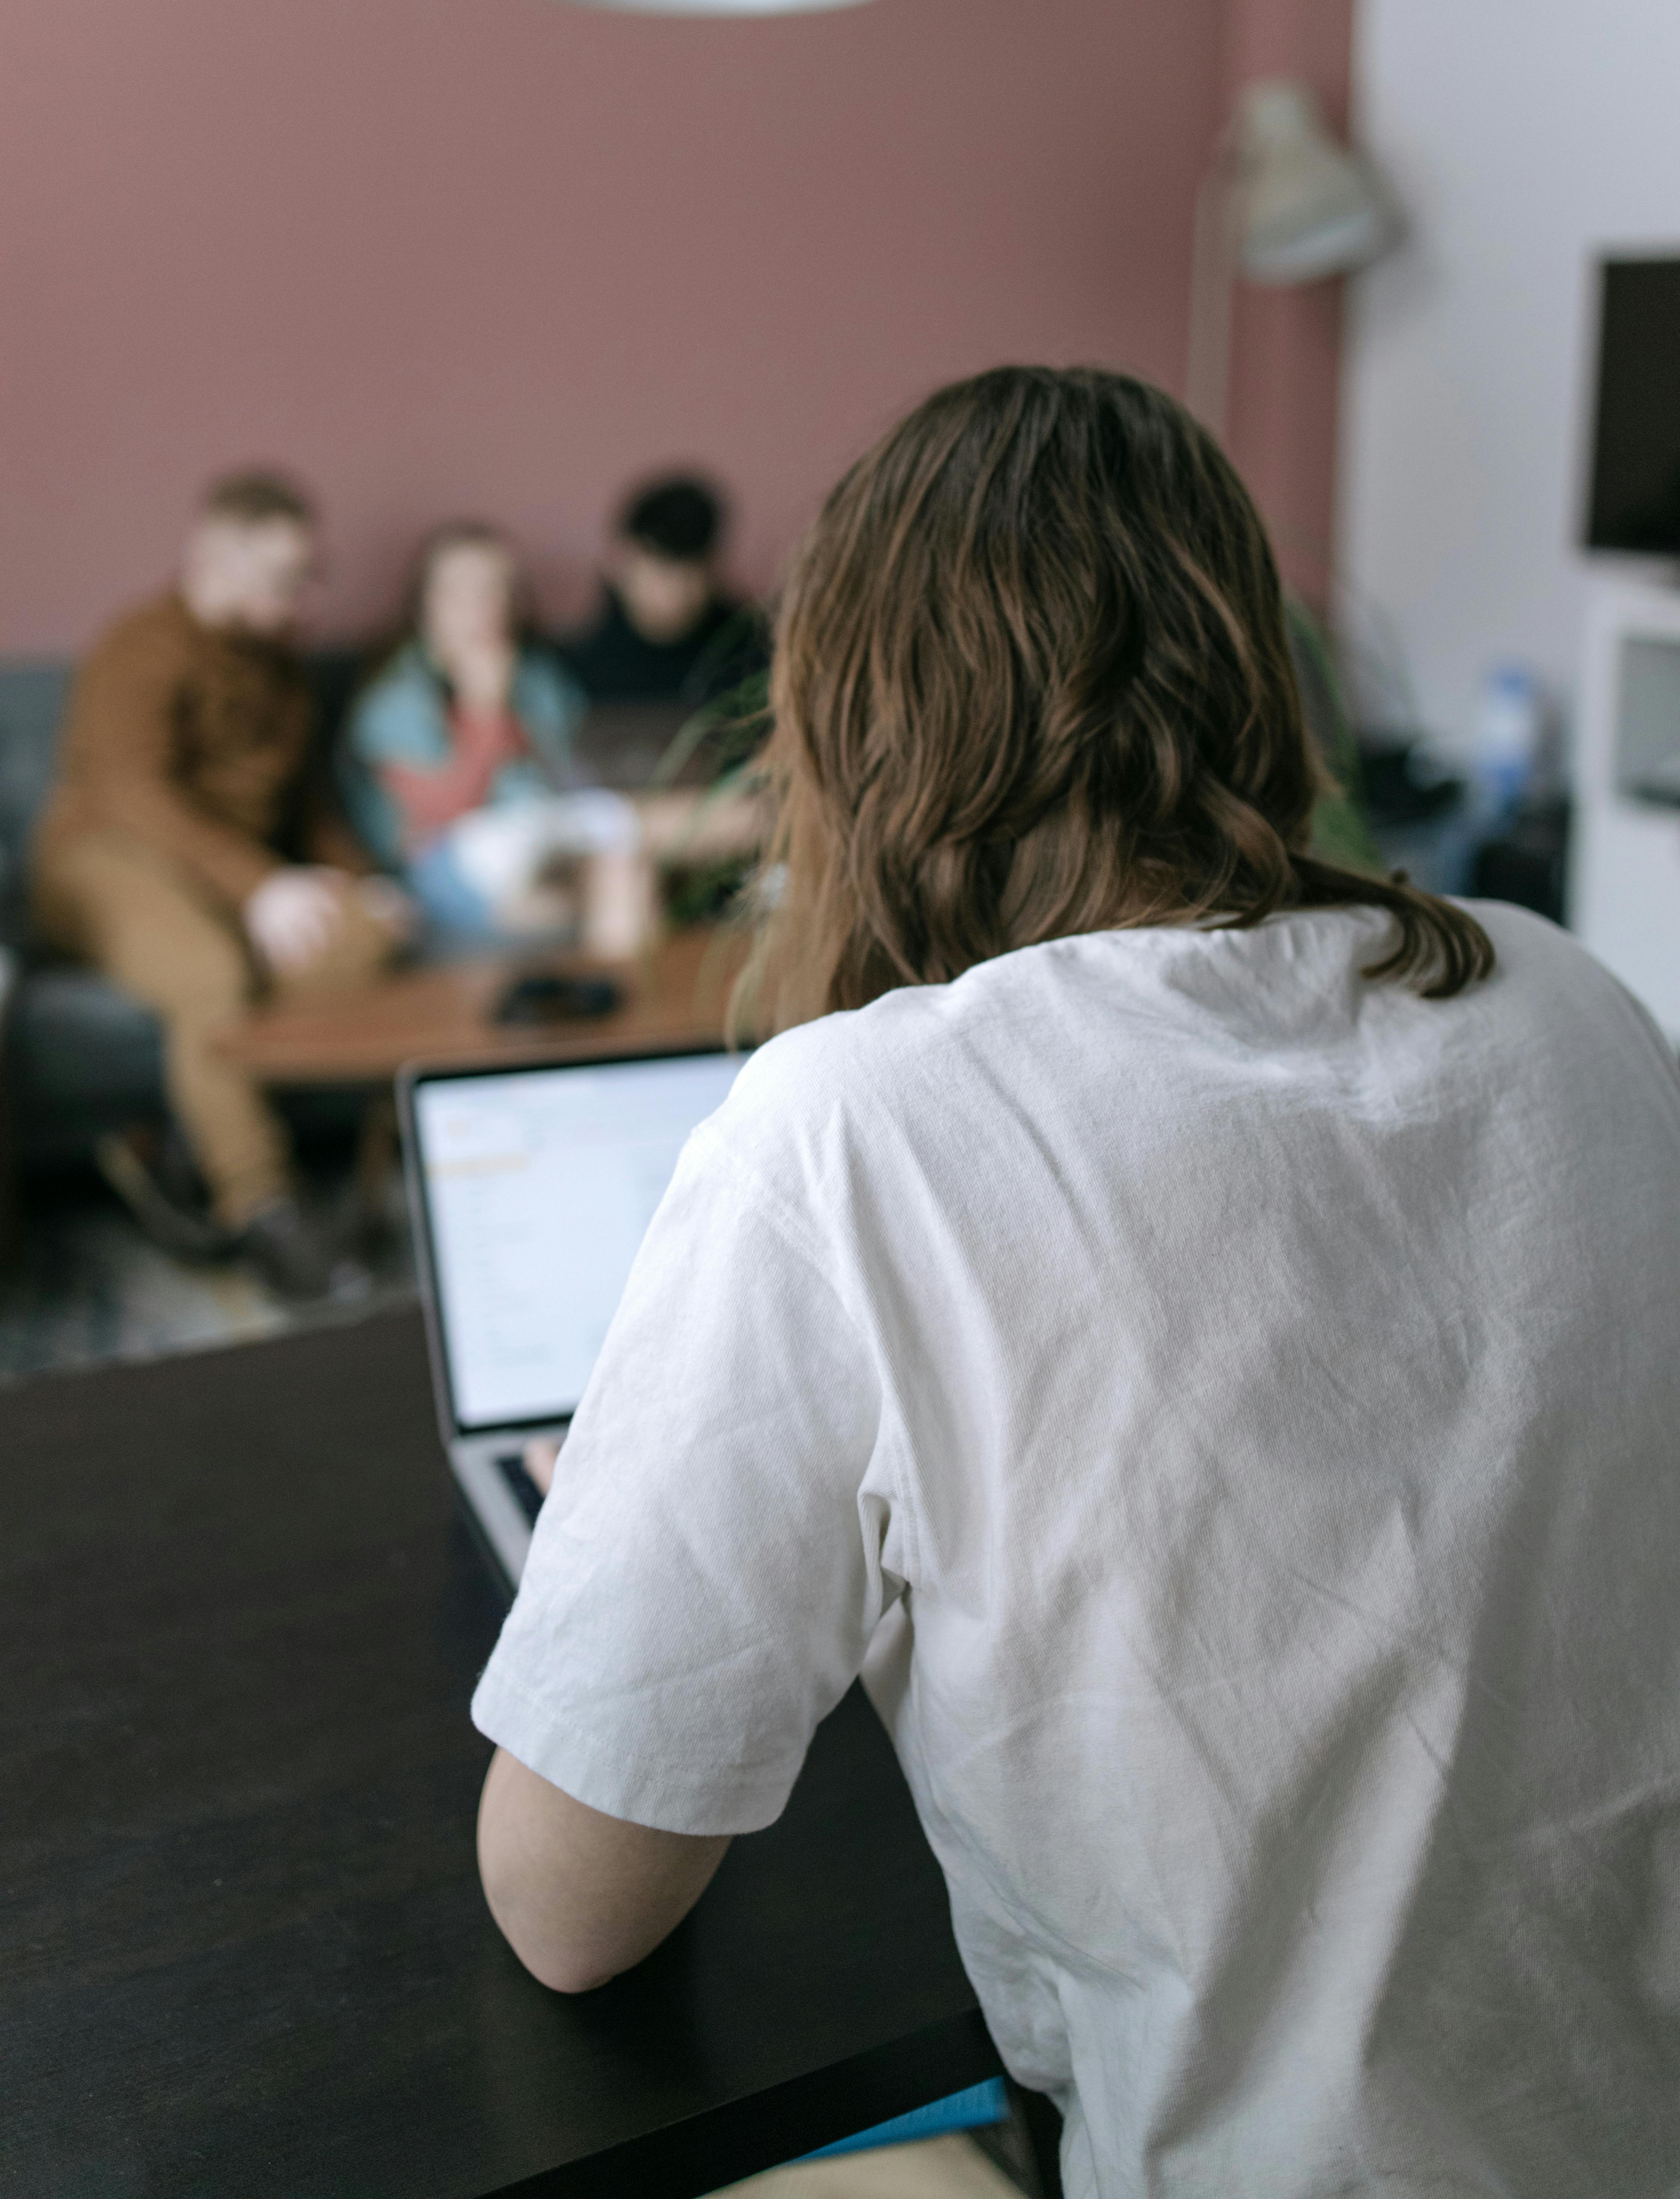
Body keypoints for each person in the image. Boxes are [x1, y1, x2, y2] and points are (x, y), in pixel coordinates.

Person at [468, 368, 1680, 2197]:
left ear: (860, 727)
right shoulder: (1563, 994)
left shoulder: (853, 1124)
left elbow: (571, 1910)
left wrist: (671, 1515)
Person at [32, 468, 410, 1300]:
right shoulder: (138, 645)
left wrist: (362, 883)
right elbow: (137, 797)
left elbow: (307, 807)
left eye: (311, 575)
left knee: (368, 938)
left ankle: (177, 1138)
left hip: (224, 880)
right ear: (211, 558)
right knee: (210, 973)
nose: (306, 598)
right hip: (107, 859)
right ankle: (259, 1205)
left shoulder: (282, 673)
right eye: (285, 578)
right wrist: (261, 889)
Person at [340, 520, 625, 940]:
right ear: (424, 606)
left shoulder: (538, 679)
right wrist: (485, 712)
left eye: (496, 590)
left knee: (620, 855)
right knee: (577, 896)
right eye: (459, 592)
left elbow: (575, 774)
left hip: (546, 835)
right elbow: (430, 824)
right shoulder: (395, 700)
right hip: (438, 867)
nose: (481, 608)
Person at [560, 473, 768, 707]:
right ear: (622, 559)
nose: (673, 586)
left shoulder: (750, 650)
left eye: (688, 568)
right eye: (659, 565)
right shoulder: (575, 667)